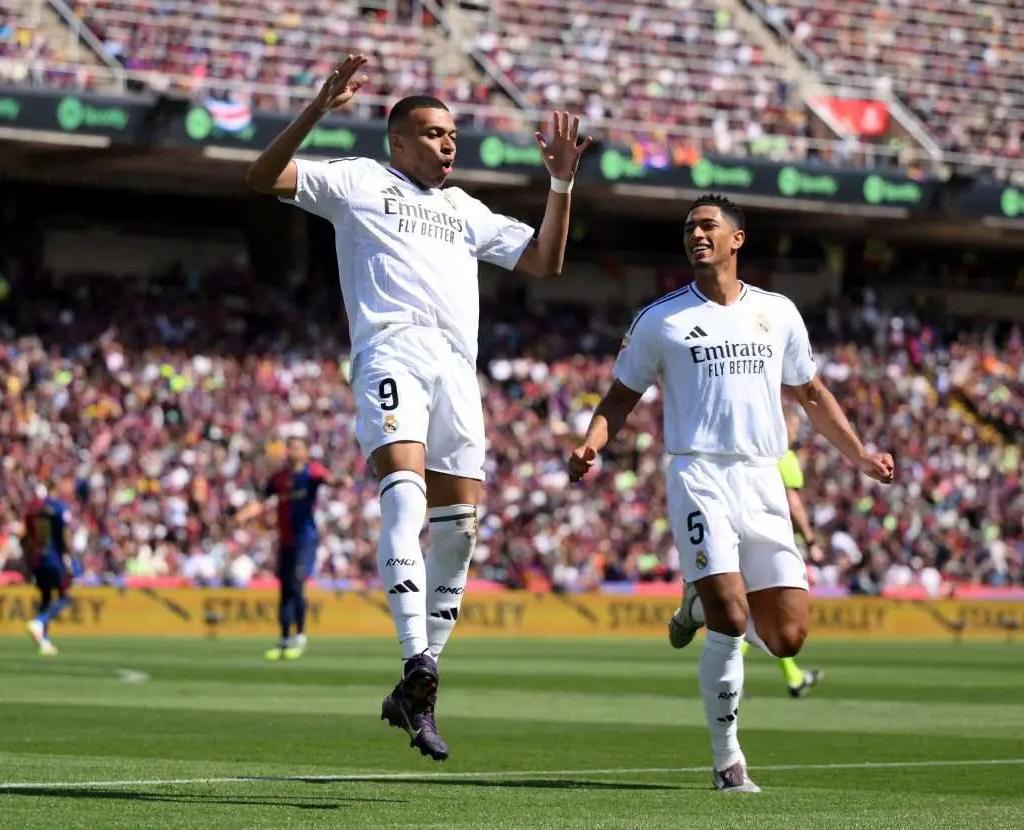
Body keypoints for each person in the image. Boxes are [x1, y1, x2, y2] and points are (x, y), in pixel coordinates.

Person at [246, 53, 592, 761]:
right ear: (397, 140)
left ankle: (422, 678)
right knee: (403, 504)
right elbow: (261, 177)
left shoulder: (463, 209)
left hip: (457, 372)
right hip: (392, 352)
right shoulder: (358, 180)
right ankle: (415, 662)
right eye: (433, 134)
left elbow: (545, 263)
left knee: (459, 532)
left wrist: (560, 182)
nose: (447, 145)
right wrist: (315, 110)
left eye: (452, 136)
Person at [569, 194, 893, 792]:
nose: (696, 233)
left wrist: (860, 455)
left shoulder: (778, 313)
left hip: (763, 476)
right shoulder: (660, 319)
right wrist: (592, 442)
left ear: (736, 239)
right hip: (699, 473)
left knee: (788, 635)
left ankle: (693, 603)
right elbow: (621, 395)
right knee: (732, 615)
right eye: (690, 226)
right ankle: (727, 760)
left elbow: (812, 393)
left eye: (708, 225)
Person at [237, 436, 351, 661]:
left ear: (305, 452)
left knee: (298, 582)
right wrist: (243, 515)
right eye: (289, 447)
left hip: (305, 538)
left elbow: (330, 479)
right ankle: (284, 638)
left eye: (296, 447)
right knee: (285, 587)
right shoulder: (278, 478)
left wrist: (341, 481)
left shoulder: (311, 472)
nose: (291, 451)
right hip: (285, 540)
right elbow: (261, 500)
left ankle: (300, 636)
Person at [738, 411, 822, 697]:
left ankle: (794, 677)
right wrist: (811, 540)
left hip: (744, 538)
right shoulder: (783, 458)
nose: (796, 433)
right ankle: (727, 679)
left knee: (757, 614)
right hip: (774, 545)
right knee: (768, 615)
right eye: (794, 426)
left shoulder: (750, 454)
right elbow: (794, 505)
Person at [22, 482, 77, 656]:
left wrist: (28, 561)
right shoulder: (59, 507)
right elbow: (65, 534)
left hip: (37, 559)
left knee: (45, 599)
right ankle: (40, 621)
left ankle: (44, 642)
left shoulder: (33, 511)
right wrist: (70, 558)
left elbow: (26, 537)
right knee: (64, 597)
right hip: (55, 558)